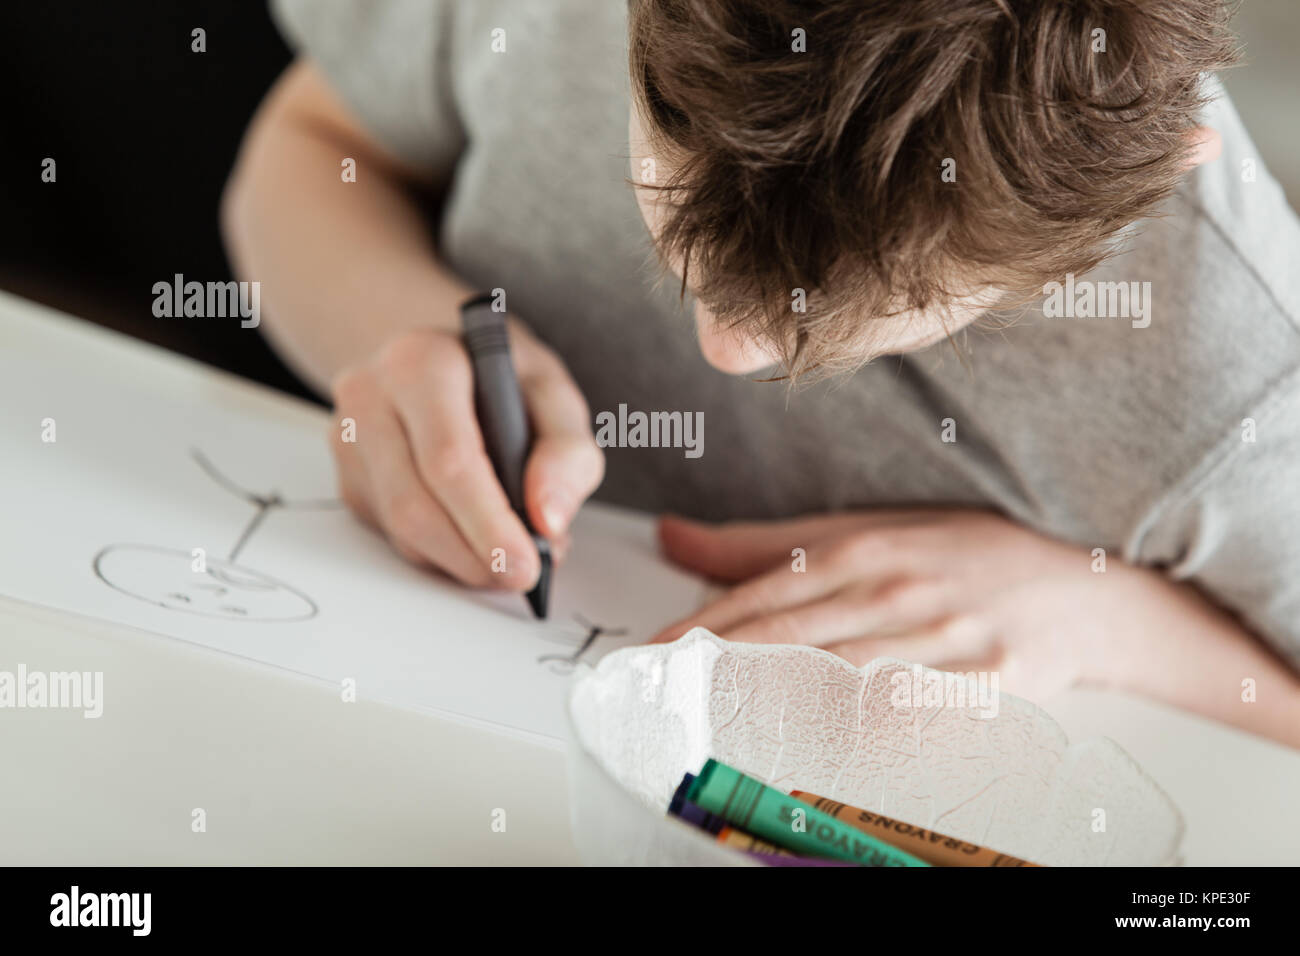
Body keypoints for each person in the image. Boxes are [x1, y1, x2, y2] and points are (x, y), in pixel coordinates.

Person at [222, 0, 1300, 747]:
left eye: (897, 305)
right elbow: (311, 142)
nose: (731, 348)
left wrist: (1109, 619)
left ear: (1152, 182)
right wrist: (394, 329)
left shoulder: (1238, 378)